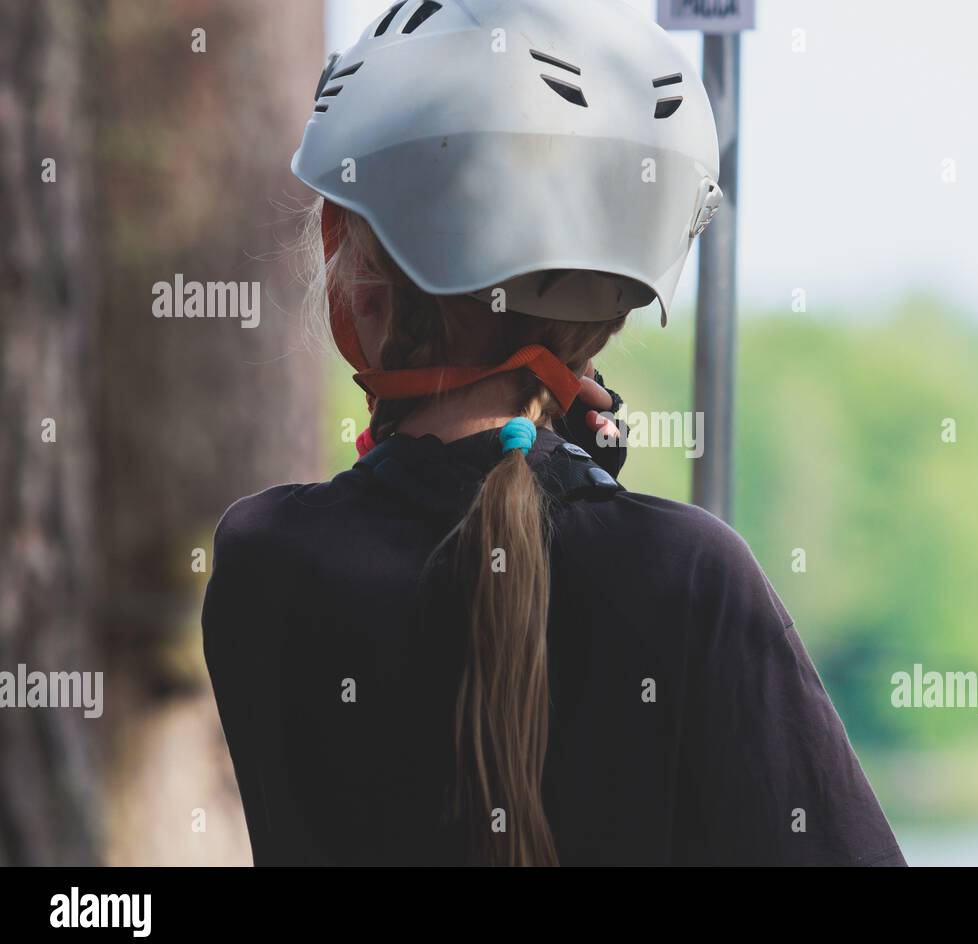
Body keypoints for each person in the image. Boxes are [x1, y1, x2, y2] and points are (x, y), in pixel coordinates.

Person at [202, 0, 905, 867]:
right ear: (607, 315)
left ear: (371, 291)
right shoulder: (687, 576)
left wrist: (561, 481)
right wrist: (588, 492)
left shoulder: (264, 561)